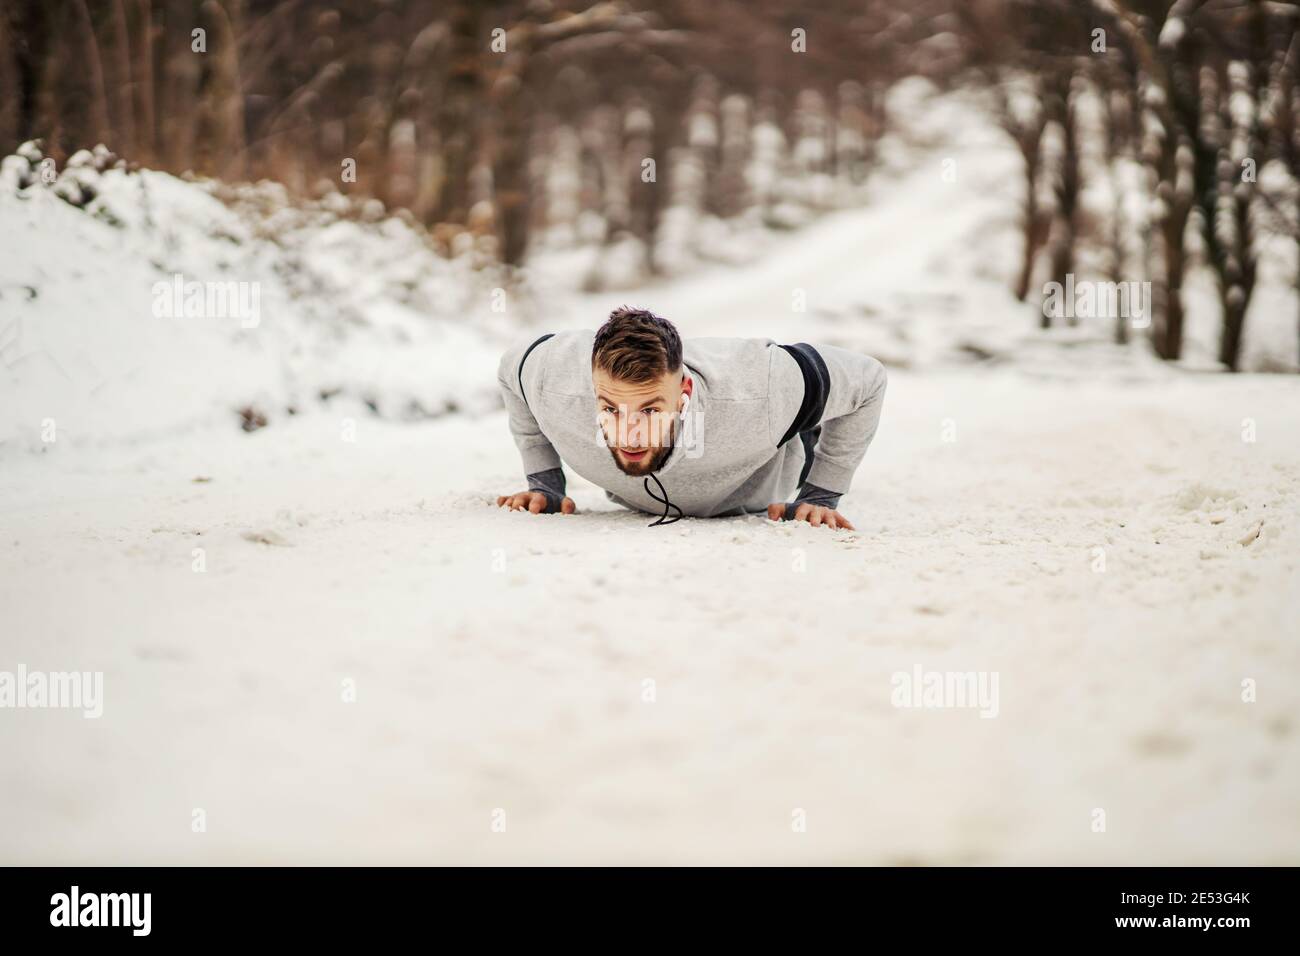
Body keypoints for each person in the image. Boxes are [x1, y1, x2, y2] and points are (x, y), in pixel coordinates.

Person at [495, 306, 887, 529]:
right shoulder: (551, 378)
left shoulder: (761, 388)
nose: (629, 436)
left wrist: (821, 494)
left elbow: (868, 379)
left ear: (683, 393)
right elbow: (510, 368)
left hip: (775, 451)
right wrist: (545, 482)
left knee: (801, 427)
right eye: (611, 409)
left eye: (650, 410)